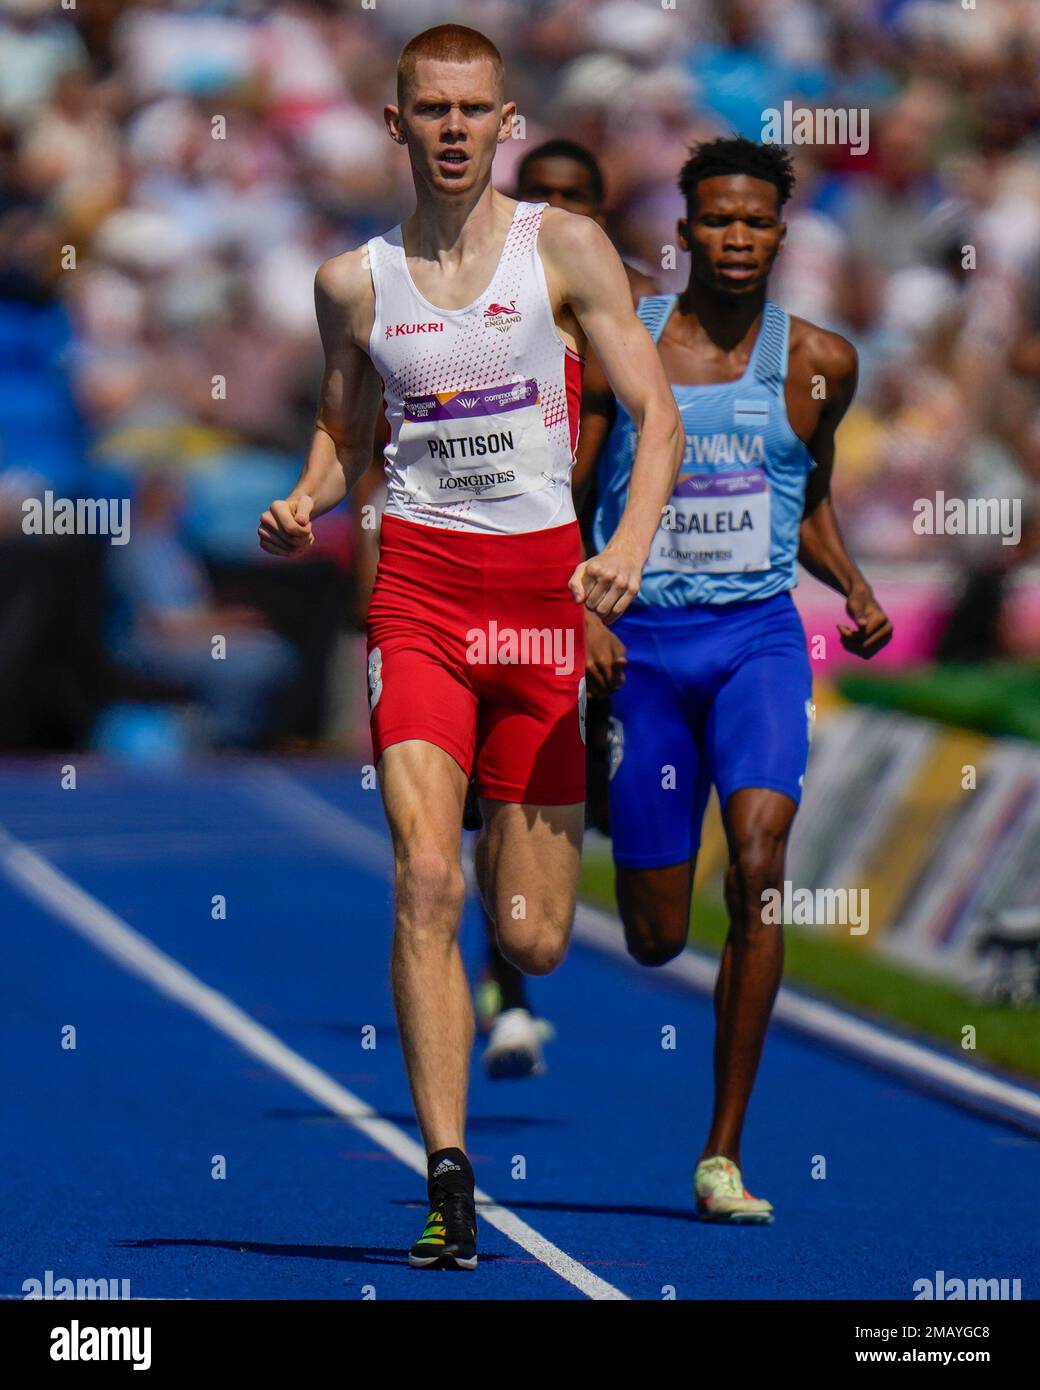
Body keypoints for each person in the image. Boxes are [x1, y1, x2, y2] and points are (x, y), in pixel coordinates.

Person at [258, 24, 683, 1269]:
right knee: (424, 879)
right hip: (426, 599)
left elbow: (652, 418)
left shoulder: (561, 249)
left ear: (505, 125)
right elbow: (348, 434)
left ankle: (523, 865)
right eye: (429, 110)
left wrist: (627, 556)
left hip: (542, 596)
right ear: (395, 126)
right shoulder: (353, 282)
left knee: (535, 931)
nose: (452, 129)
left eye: (473, 111)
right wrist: (303, 499)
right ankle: (448, 1169)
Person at [587, 137, 892, 1223]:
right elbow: (573, 491)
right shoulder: (624, 346)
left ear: (777, 235)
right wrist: (580, 609)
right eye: (713, 219)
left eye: (752, 222)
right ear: (684, 232)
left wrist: (850, 583)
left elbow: (800, 498)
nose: (731, 237)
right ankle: (597, 771)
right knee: (655, 933)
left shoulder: (820, 362)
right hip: (647, 651)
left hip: (757, 640)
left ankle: (720, 1153)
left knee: (759, 858)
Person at [474, 137, 659, 1081]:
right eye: (535, 193)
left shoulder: (626, 307)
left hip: (625, 581)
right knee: (492, 804)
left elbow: (642, 451)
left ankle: (523, 956)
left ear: (600, 206)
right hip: (525, 576)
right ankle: (507, 989)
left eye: (570, 196)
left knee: (613, 827)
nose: (550, 209)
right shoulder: (490, 295)